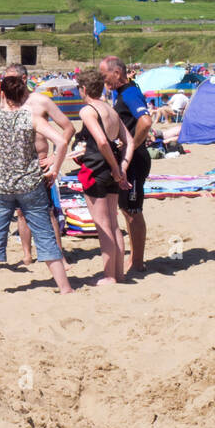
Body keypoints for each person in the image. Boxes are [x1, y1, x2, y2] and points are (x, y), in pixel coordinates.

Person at [0, 71, 74, 294]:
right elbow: (61, 142)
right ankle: (65, 287)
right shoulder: (32, 117)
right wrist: (54, 168)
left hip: (0, 185)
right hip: (30, 183)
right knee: (45, 234)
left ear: (2, 94)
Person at [73, 69, 133, 284]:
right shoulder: (111, 110)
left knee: (102, 224)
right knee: (113, 223)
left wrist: (117, 169)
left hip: (96, 169)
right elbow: (130, 142)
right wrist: (121, 166)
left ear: (84, 89)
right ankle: (119, 273)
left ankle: (109, 276)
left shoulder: (87, 111)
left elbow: (101, 142)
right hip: (111, 167)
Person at [100, 56, 152, 275]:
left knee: (132, 211)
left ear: (117, 73)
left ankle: (138, 262)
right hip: (130, 158)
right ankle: (134, 257)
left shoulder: (129, 93)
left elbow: (145, 121)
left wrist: (131, 145)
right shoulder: (121, 93)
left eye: (104, 75)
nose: (103, 80)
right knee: (125, 208)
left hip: (135, 159)